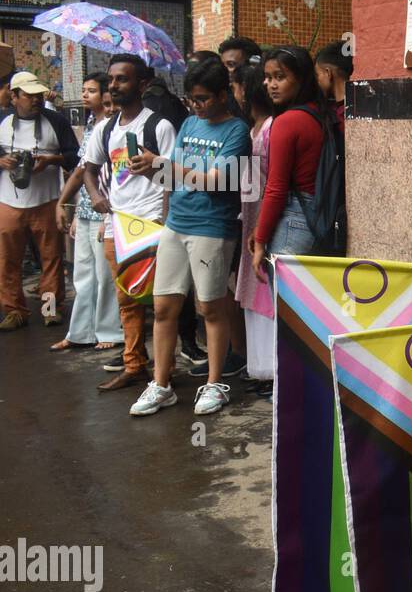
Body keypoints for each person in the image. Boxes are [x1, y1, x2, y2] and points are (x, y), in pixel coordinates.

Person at [130, 58, 251, 417]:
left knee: (210, 308)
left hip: (212, 227)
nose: (197, 106)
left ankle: (215, 383)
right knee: (164, 306)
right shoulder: (188, 123)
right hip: (177, 223)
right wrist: (152, 172)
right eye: (192, 99)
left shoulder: (237, 132)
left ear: (222, 94)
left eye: (203, 99)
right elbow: (175, 177)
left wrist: (162, 164)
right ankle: (161, 384)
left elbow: (217, 180)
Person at [81, 54, 177, 390]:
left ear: (142, 83)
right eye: (111, 79)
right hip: (116, 226)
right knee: (126, 300)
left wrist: (165, 221)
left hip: (151, 224)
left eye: (122, 79)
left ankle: (166, 367)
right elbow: (88, 170)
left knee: (159, 300)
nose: (114, 85)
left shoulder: (159, 126)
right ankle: (134, 364)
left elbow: (175, 178)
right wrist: (95, 197)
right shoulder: (104, 128)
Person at [0, 71, 79, 331]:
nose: (35, 100)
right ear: (14, 97)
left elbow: (73, 157)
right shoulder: (2, 121)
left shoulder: (55, 121)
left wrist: (49, 160)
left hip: (46, 200)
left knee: (51, 258)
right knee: (7, 259)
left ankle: (50, 308)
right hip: (8, 201)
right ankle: (14, 310)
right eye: (28, 95)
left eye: (38, 95)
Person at [52, 72, 123, 353]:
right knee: (82, 275)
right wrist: (66, 203)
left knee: (104, 276)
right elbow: (82, 169)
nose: (86, 95)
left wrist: (107, 217)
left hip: (105, 211)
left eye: (92, 91)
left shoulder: (117, 131)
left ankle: (109, 330)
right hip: (86, 210)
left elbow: (115, 177)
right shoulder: (95, 126)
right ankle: (80, 331)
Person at [251, 46, 332, 277]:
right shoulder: (321, 113)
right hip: (319, 219)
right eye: (267, 78)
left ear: (301, 79)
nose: (271, 85)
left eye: (280, 77)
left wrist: (260, 241)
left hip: (294, 220)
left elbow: (276, 188)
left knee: (286, 308)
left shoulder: (288, 121)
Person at [232, 60, 275, 396]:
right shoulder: (252, 129)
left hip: (265, 223)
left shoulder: (273, 127)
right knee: (253, 294)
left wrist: (260, 224)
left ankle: (274, 370)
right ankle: (261, 368)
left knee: (266, 294)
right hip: (250, 219)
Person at [314, 41, 353, 131]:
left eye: (317, 75)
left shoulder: (342, 116)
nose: (316, 81)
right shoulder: (359, 108)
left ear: (328, 73)